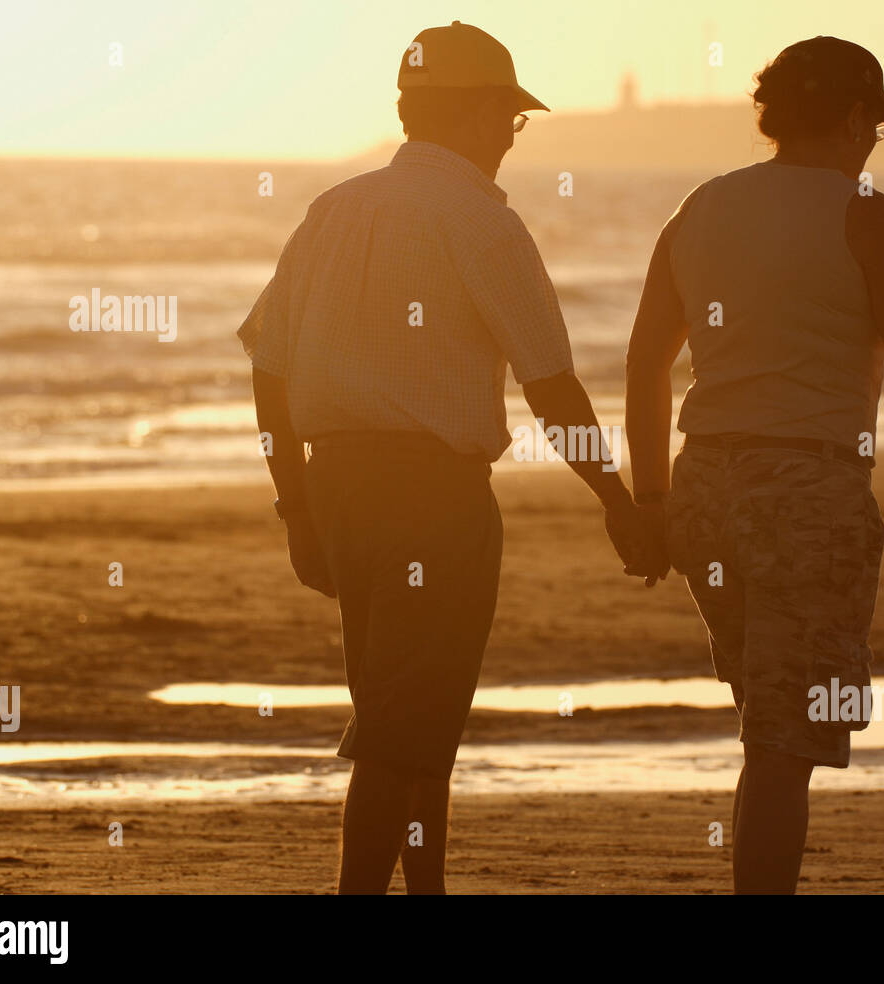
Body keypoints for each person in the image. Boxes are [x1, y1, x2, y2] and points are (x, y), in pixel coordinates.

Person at [238, 21, 644, 894]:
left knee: (409, 719)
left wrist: (298, 507)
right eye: (508, 117)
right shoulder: (480, 223)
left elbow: (268, 372)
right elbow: (552, 388)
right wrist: (617, 502)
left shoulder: (332, 210)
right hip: (432, 499)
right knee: (400, 730)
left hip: (337, 487)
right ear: (474, 112)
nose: (510, 136)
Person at [624, 36, 884, 894]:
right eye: (873, 122)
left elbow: (645, 360)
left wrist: (651, 501)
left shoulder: (700, 207)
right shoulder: (862, 210)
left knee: (767, 721)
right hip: (806, 491)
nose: (875, 140)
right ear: (846, 118)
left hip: (706, 485)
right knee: (783, 742)